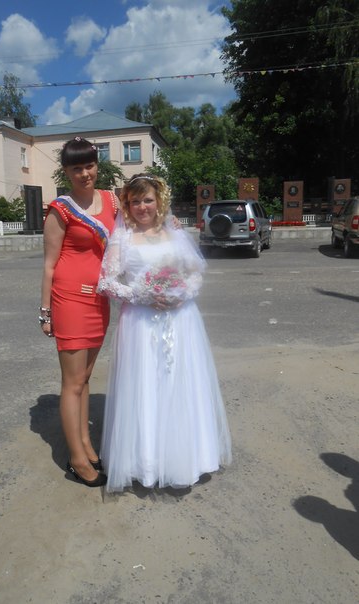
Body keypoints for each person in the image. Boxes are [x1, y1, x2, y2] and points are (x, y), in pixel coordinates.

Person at [97, 174, 232, 492]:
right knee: (145, 385)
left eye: (148, 200)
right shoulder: (122, 238)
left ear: (159, 201)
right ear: (127, 204)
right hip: (141, 323)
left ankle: (189, 458)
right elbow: (106, 283)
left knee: (180, 383)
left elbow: (195, 273)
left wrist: (183, 293)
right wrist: (141, 294)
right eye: (135, 201)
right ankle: (146, 463)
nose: (142, 206)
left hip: (181, 320)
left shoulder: (174, 231)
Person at [40, 137, 118, 487]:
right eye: (76, 168)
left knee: (86, 378)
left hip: (100, 300)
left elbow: (140, 224)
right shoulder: (61, 208)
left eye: (89, 165)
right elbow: (49, 264)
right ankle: (76, 460)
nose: (85, 173)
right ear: (66, 172)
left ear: (97, 165)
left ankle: (85, 444)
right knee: (72, 383)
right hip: (70, 300)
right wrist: (46, 311)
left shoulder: (112, 200)